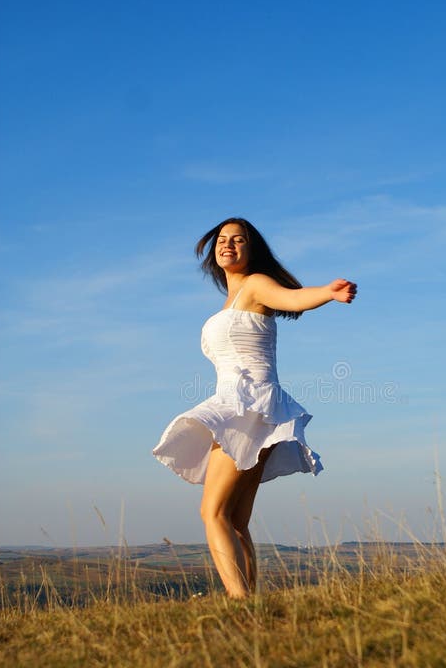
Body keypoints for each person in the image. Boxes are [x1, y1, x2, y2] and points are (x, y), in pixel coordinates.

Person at [152, 217, 357, 598]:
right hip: (256, 406)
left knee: (212, 514)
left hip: (247, 406)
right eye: (222, 240)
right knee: (236, 519)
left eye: (238, 240)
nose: (228, 245)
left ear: (252, 249)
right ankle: (250, 602)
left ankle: (238, 602)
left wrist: (327, 292)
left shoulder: (255, 285)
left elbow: (293, 299)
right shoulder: (233, 298)